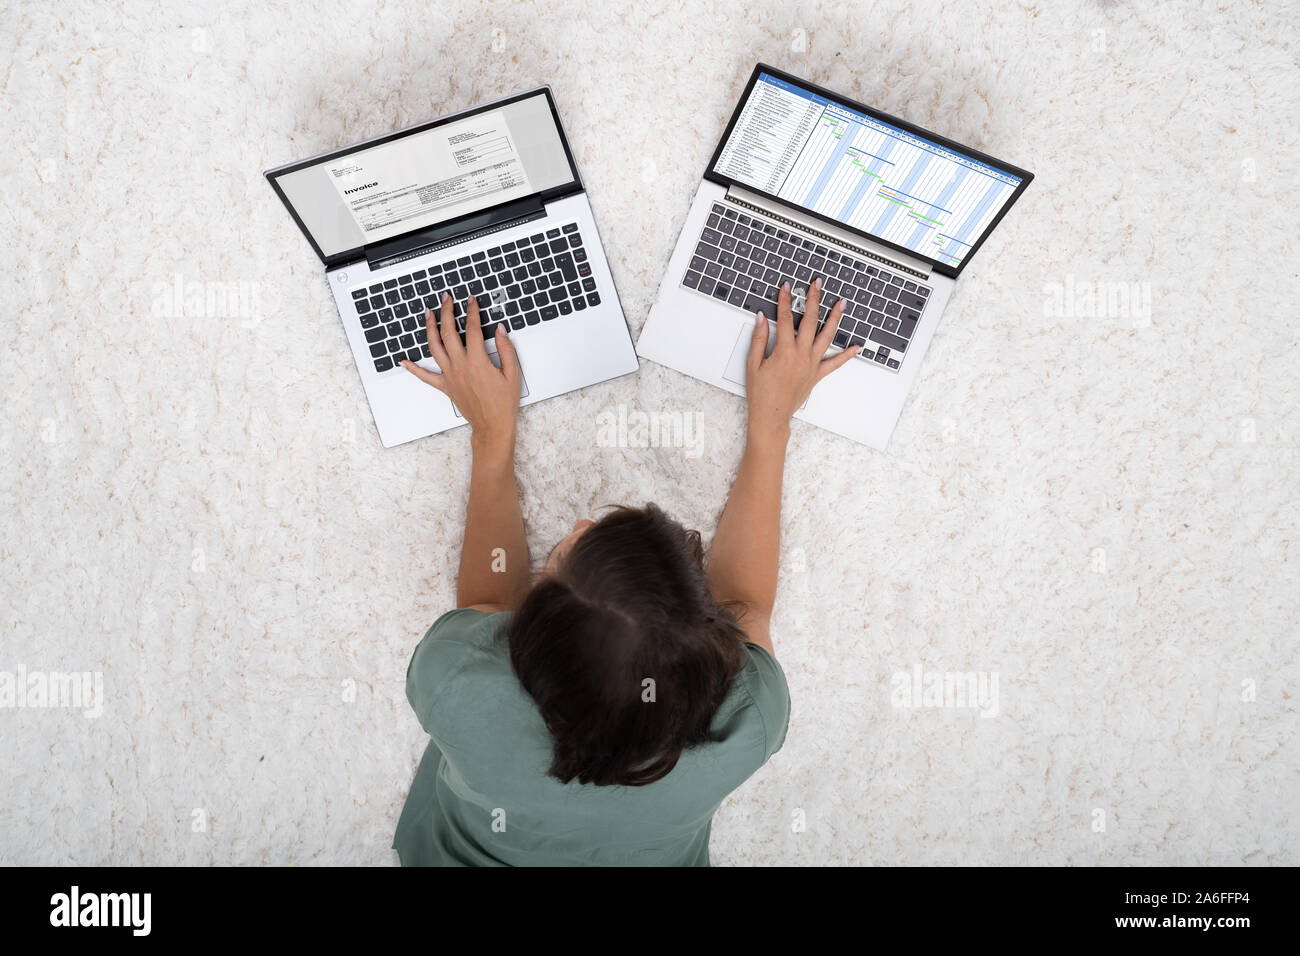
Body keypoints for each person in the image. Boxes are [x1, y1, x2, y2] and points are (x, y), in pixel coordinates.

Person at [392, 280, 859, 865]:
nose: (583, 521)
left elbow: (486, 595)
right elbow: (747, 603)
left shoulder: (455, 679)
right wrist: (772, 428)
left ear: (524, 634)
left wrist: (491, 438)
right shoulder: (753, 718)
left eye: (562, 556)